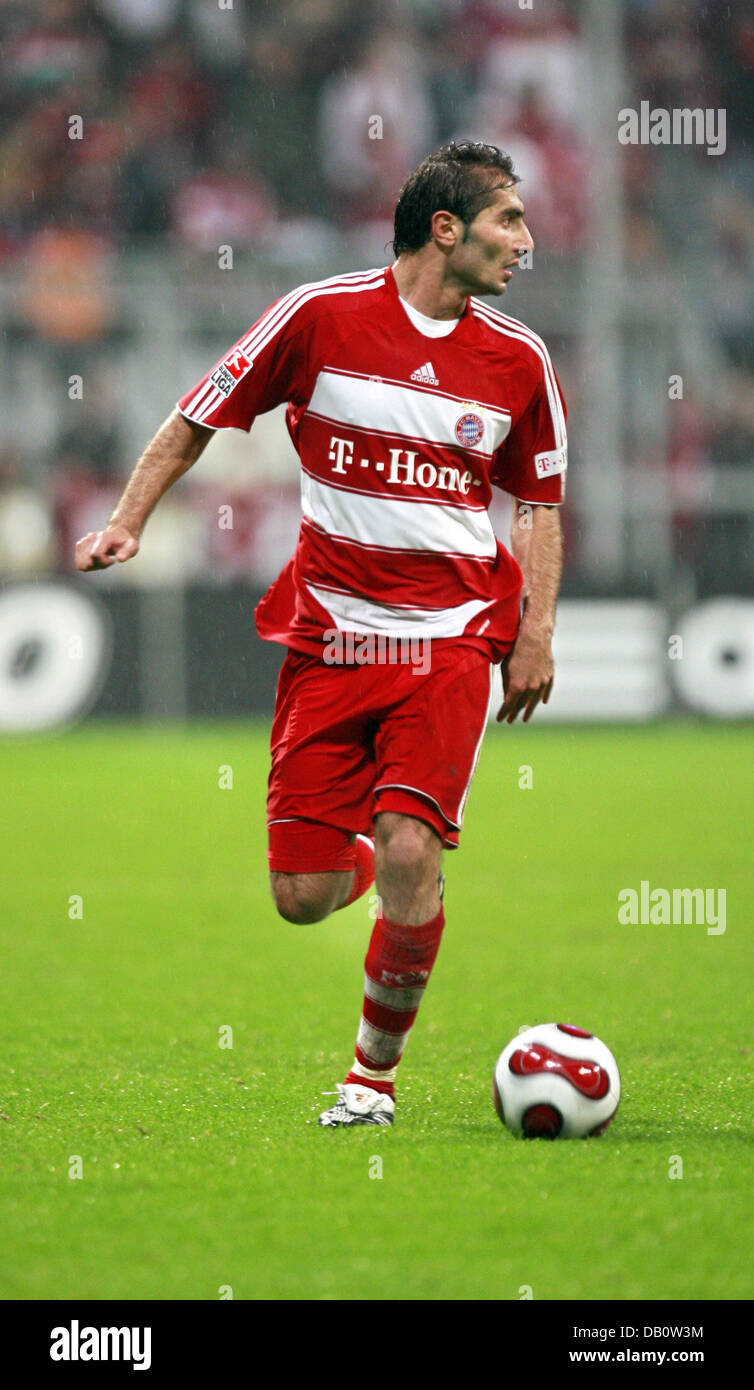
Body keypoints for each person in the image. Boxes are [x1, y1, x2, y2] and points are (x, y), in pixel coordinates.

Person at [75, 141, 567, 1128]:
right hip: (331, 642)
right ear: (445, 228)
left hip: (447, 644)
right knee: (300, 894)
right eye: (507, 219)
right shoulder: (319, 316)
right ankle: (396, 886)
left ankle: (368, 1082)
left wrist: (535, 631)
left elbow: (538, 504)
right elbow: (196, 416)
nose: (525, 239)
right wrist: (129, 517)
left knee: (408, 845)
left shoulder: (518, 359)